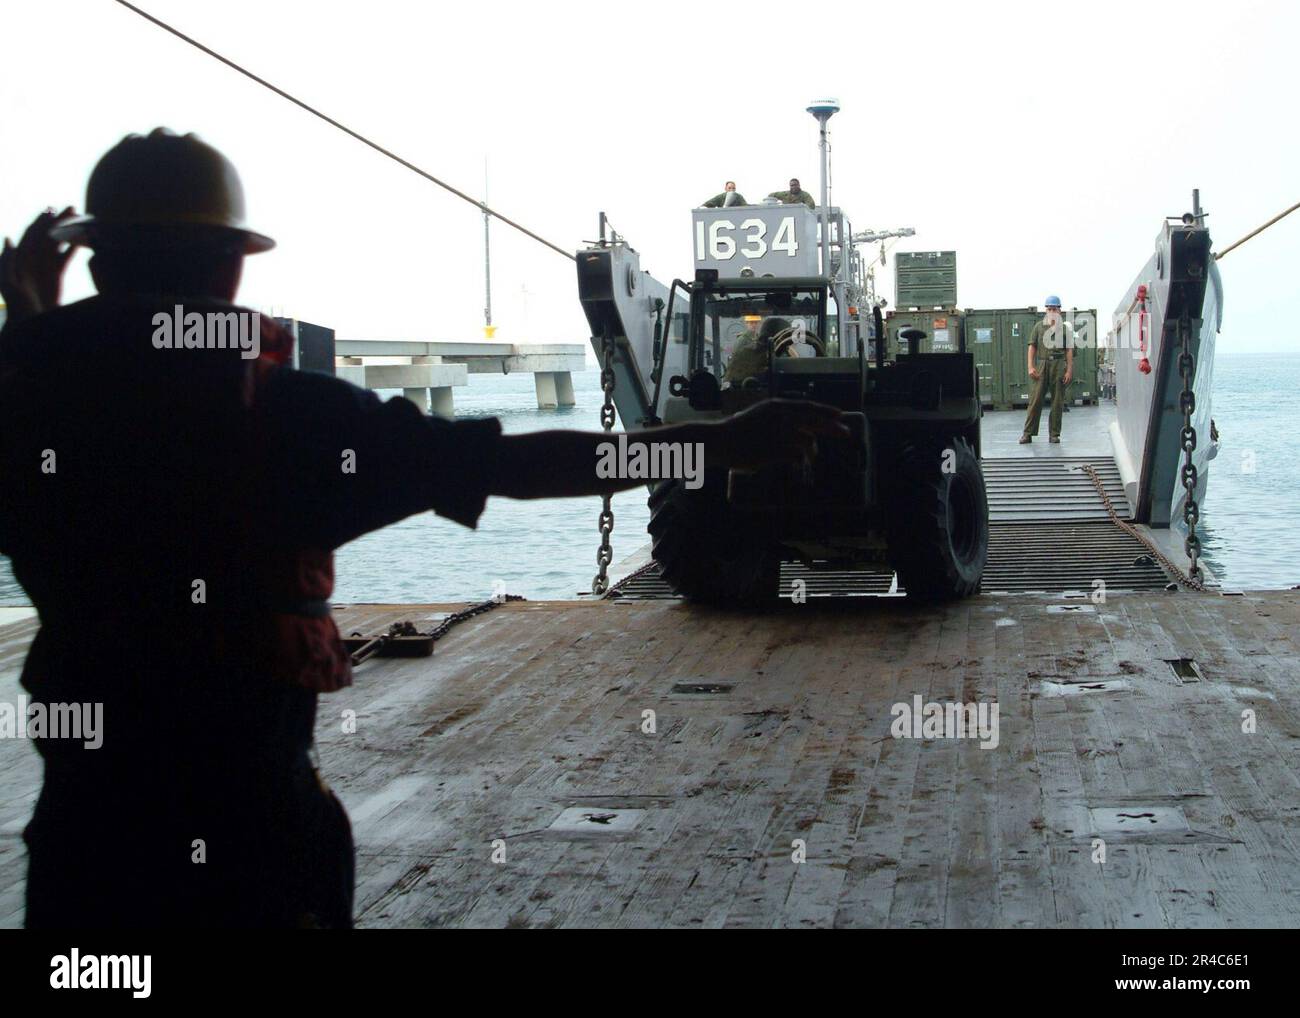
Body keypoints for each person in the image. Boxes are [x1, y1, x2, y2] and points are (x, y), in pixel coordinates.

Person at [0, 129, 847, 928]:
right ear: (229, 271)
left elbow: (73, 386)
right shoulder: (290, 422)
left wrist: (29, 317)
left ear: (100, 268)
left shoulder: (27, 404)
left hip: (86, 847)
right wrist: (720, 443)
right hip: (247, 847)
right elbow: (523, 466)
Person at [1019, 295, 1074, 444]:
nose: (1051, 311)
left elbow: (1069, 350)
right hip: (1042, 365)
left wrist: (1069, 370)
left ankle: (1054, 434)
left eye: (1054, 309)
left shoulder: (1064, 329)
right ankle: (1027, 433)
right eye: (1049, 309)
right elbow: (1032, 347)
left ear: (1059, 311)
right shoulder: (1038, 327)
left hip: (1058, 366)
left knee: (1057, 401)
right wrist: (1030, 366)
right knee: (1035, 400)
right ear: (1046, 310)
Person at [725, 316, 792, 385]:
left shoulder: (750, 348)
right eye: (751, 323)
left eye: (756, 323)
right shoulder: (743, 342)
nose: (754, 325)